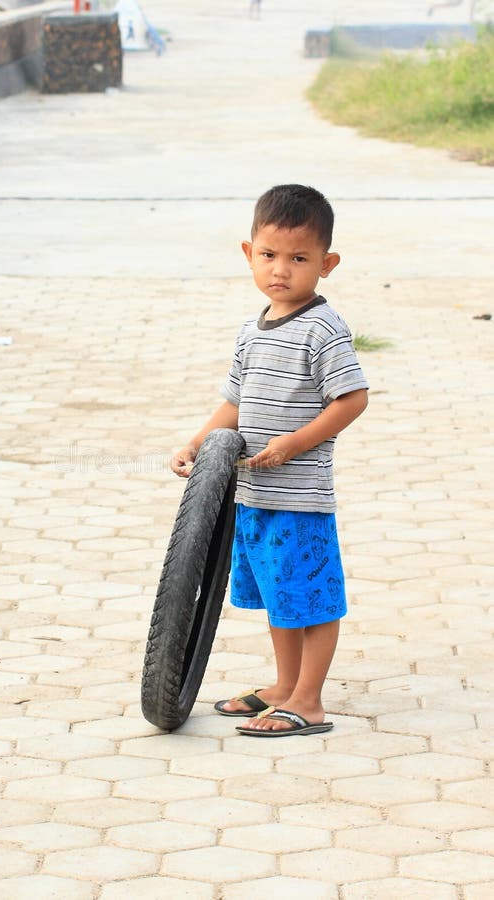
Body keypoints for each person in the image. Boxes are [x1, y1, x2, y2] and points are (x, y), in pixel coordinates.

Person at [170, 184, 369, 736]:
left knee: (312, 599)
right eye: (269, 255)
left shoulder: (323, 329)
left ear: (326, 264)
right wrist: (194, 442)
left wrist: (294, 443)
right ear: (248, 253)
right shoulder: (251, 331)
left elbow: (352, 398)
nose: (281, 270)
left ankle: (308, 701)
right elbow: (233, 403)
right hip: (252, 495)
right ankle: (283, 686)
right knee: (281, 599)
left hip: (299, 498)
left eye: (299, 259)